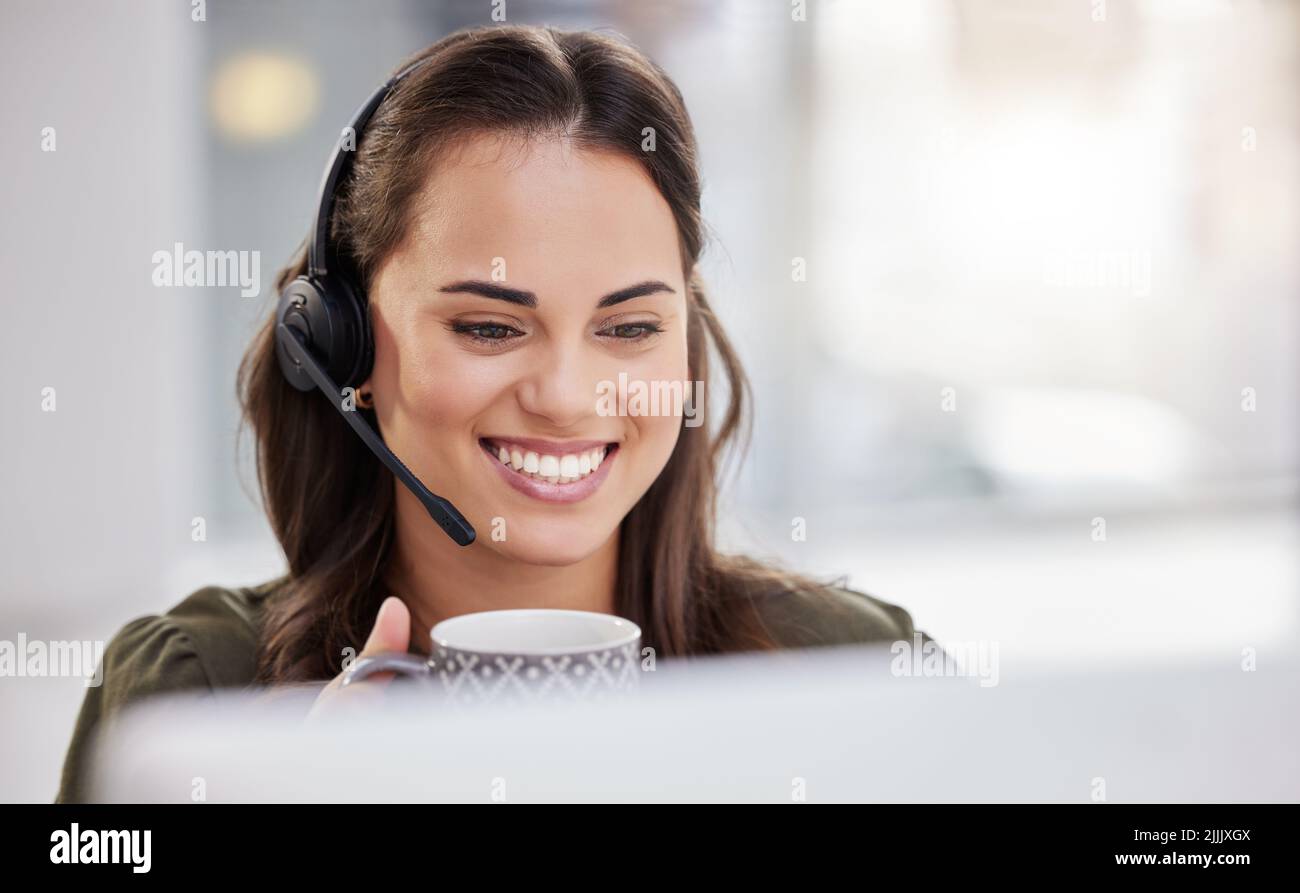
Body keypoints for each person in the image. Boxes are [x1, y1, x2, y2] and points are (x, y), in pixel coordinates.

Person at [56, 24, 932, 803]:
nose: (565, 394)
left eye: (628, 327)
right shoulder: (197, 691)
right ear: (342, 347)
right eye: (488, 326)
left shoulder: (850, 665)